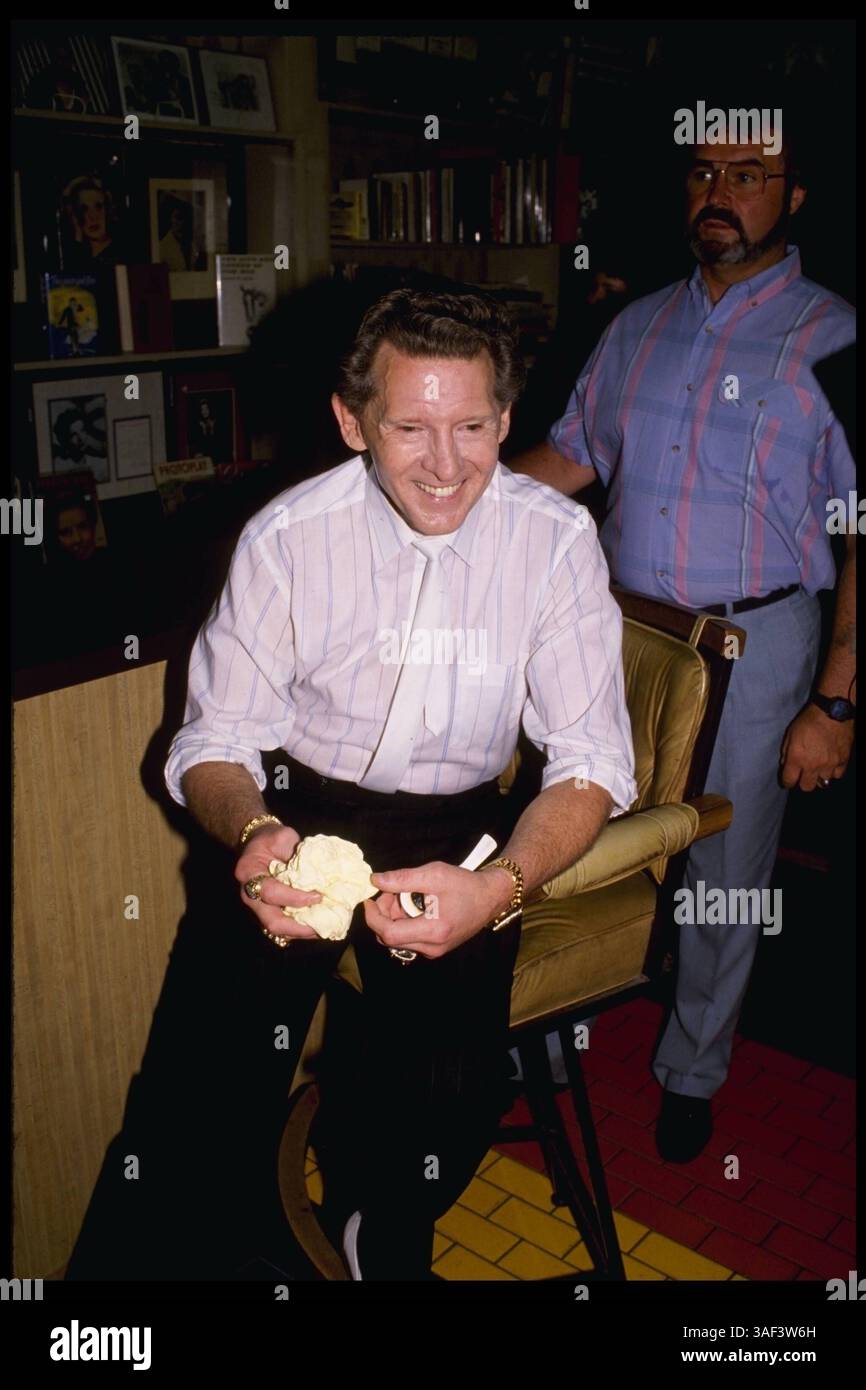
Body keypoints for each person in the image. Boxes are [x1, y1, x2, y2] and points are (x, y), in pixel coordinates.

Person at [67, 287, 636, 1283]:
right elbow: (214, 738)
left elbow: (590, 763)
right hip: (292, 809)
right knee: (196, 1080)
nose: (447, 464)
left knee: (448, 1093)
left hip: (459, 831)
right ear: (350, 420)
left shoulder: (553, 542)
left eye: (471, 426)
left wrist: (500, 884)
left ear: (506, 419)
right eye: (409, 427)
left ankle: (380, 1221)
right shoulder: (287, 538)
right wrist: (249, 831)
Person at [510, 119, 856, 1162]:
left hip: (755, 646)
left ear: (793, 197)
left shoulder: (834, 339)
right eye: (705, 170)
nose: (722, 192)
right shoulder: (634, 328)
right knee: (578, 838)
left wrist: (835, 698)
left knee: (721, 871)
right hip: (620, 634)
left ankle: (692, 1067)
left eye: (749, 176)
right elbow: (570, 455)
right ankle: (554, 1029)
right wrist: (445, 499)